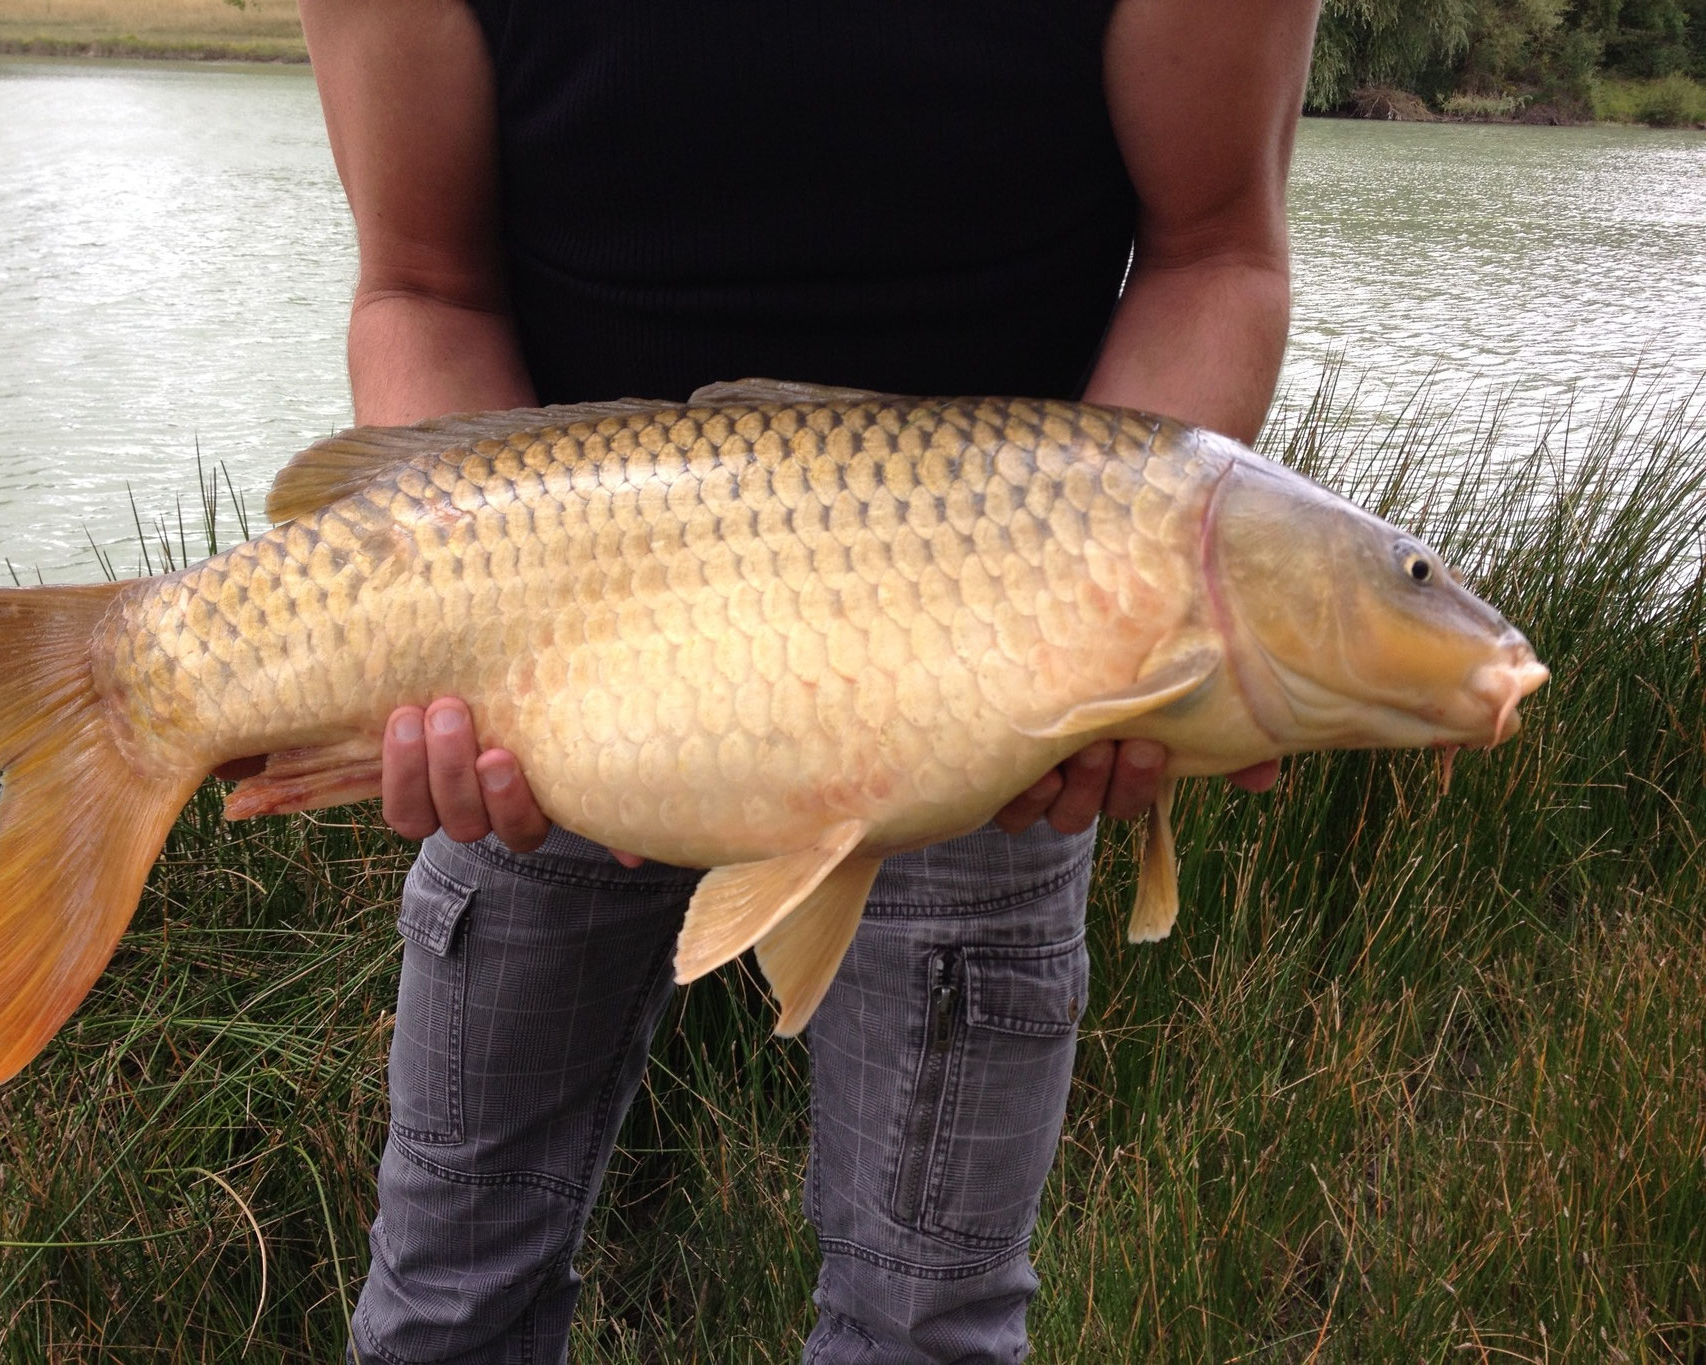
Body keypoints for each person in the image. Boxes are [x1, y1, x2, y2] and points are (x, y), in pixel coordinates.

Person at [297, 0, 1316, 1359]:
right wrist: (459, 667)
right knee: (445, 1305)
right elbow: (425, 285)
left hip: (988, 694)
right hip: (552, 662)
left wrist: (1118, 631)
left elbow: (1215, 255)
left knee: (923, 1329)